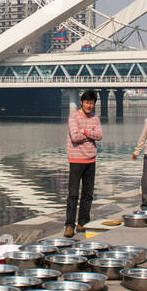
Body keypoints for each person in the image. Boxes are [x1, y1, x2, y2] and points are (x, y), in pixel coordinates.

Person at [65, 89, 103, 237]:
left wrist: (85, 131)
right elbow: (74, 136)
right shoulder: (73, 117)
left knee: (88, 194)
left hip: (91, 160)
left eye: (92, 103)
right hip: (76, 159)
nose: (89, 106)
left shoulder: (95, 118)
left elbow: (99, 135)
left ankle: (83, 223)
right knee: (73, 194)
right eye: (87, 103)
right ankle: (69, 225)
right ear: (81, 102)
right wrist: (90, 133)